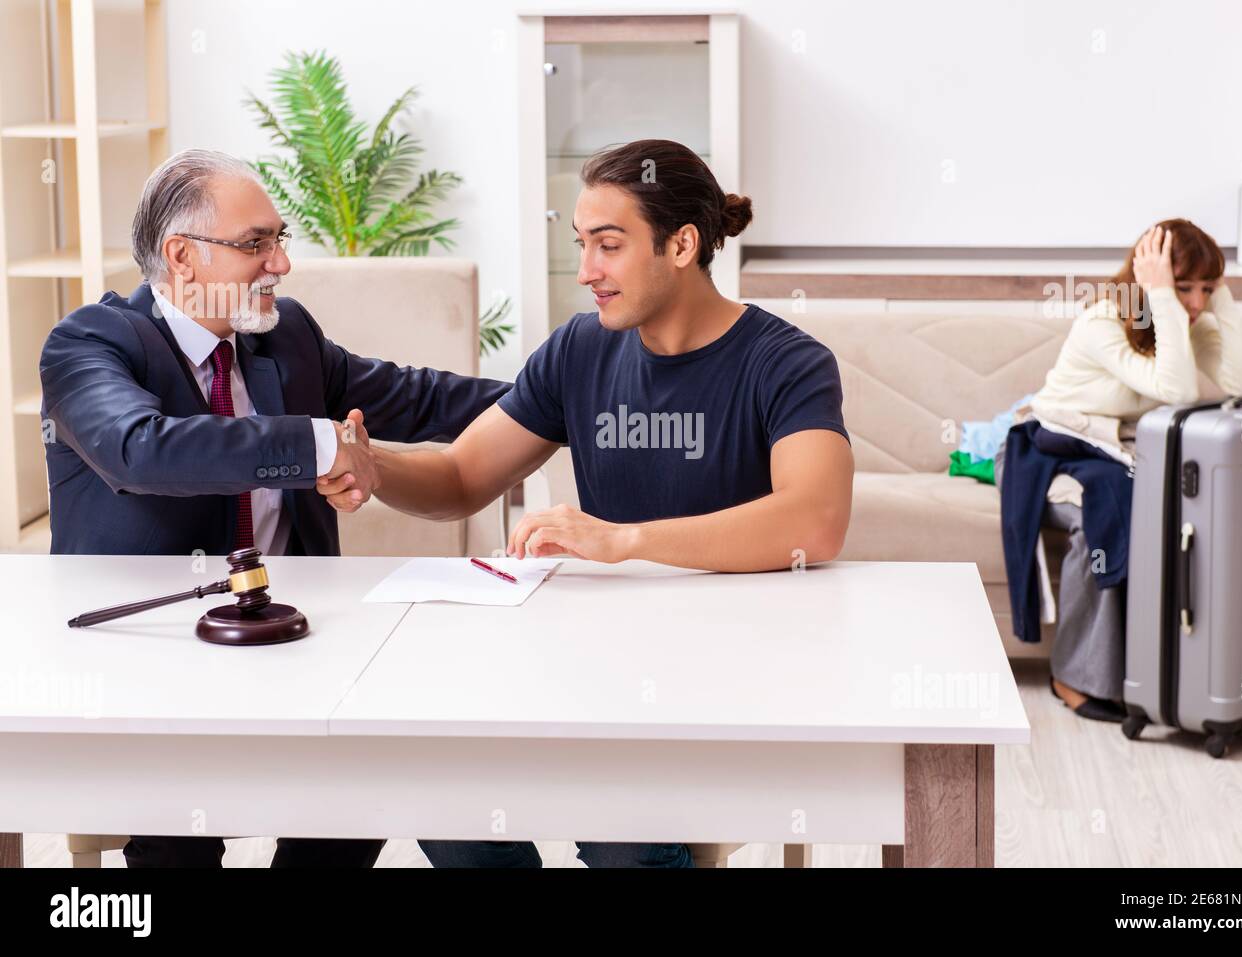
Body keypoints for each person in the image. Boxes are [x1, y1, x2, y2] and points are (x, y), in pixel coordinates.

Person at [319, 139, 855, 866]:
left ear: (682, 244)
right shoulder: (580, 350)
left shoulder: (786, 363)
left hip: (726, 681)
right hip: (587, 671)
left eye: (608, 244)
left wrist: (624, 539)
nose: (585, 272)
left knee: (620, 838)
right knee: (443, 795)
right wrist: (372, 465)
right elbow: (460, 476)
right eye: (581, 244)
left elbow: (814, 519)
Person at [39, 149, 509, 866]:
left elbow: (415, 397)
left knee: (373, 781)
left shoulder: (285, 335)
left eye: (279, 238)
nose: (281, 263)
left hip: (301, 643)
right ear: (182, 257)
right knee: (176, 846)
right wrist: (320, 444)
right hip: (154, 657)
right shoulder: (90, 343)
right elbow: (140, 450)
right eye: (256, 244)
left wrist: (557, 401)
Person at [996, 220, 1242, 721]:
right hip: (1049, 448)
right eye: (1185, 287)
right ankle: (1072, 676)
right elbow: (1177, 390)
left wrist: (1217, 294)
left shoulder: (1189, 319)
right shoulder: (1103, 322)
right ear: (1148, 276)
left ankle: (1154, 670)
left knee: (1144, 502)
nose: (1197, 302)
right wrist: (1162, 293)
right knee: (1104, 513)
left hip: (1117, 455)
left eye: (1207, 288)